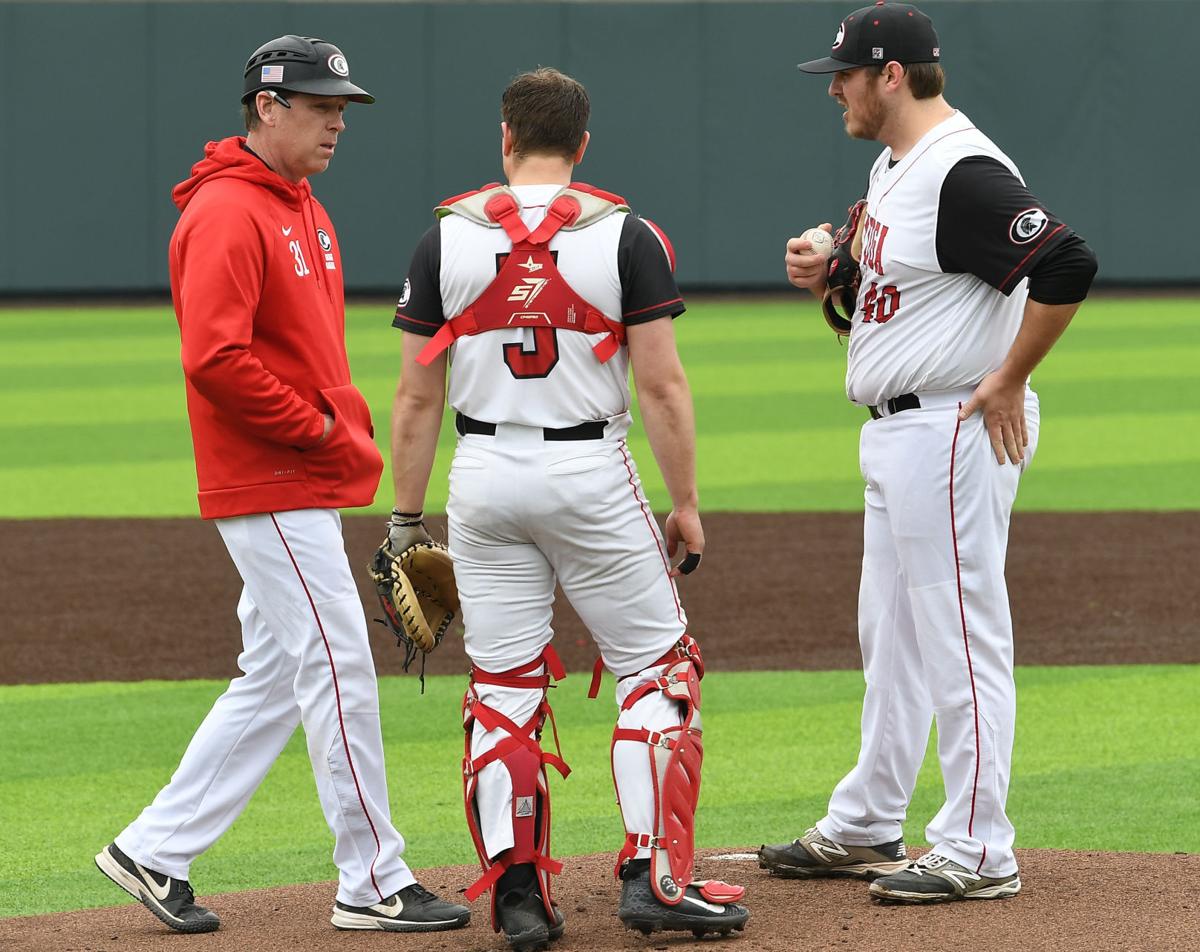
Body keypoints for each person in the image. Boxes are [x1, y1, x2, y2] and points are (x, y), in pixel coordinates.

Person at [94, 35, 469, 935]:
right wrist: (316, 429)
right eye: (320, 106)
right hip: (267, 477)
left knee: (274, 673)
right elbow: (215, 359)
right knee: (337, 665)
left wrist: (337, 429)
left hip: (297, 473)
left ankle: (155, 848)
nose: (338, 122)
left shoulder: (300, 205)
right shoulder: (227, 212)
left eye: (342, 107)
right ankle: (373, 878)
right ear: (268, 107)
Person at [387, 67, 750, 950]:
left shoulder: (445, 238)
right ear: (583, 145)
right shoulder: (628, 235)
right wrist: (688, 504)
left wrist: (403, 521)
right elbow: (661, 387)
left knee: (503, 687)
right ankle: (655, 878)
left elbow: (413, 399)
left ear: (504, 138)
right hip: (589, 472)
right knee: (658, 671)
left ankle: (517, 896)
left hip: (481, 476)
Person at [758, 2, 1098, 904]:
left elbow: (1067, 263)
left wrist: (1009, 378)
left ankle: (981, 845)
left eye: (844, 75)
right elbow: (903, 262)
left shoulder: (962, 170)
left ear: (892, 75)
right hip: (901, 433)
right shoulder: (898, 164)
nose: (833, 89)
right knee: (895, 637)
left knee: (957, 636)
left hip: (952, 425)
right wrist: (831, 257)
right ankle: (870, 818)